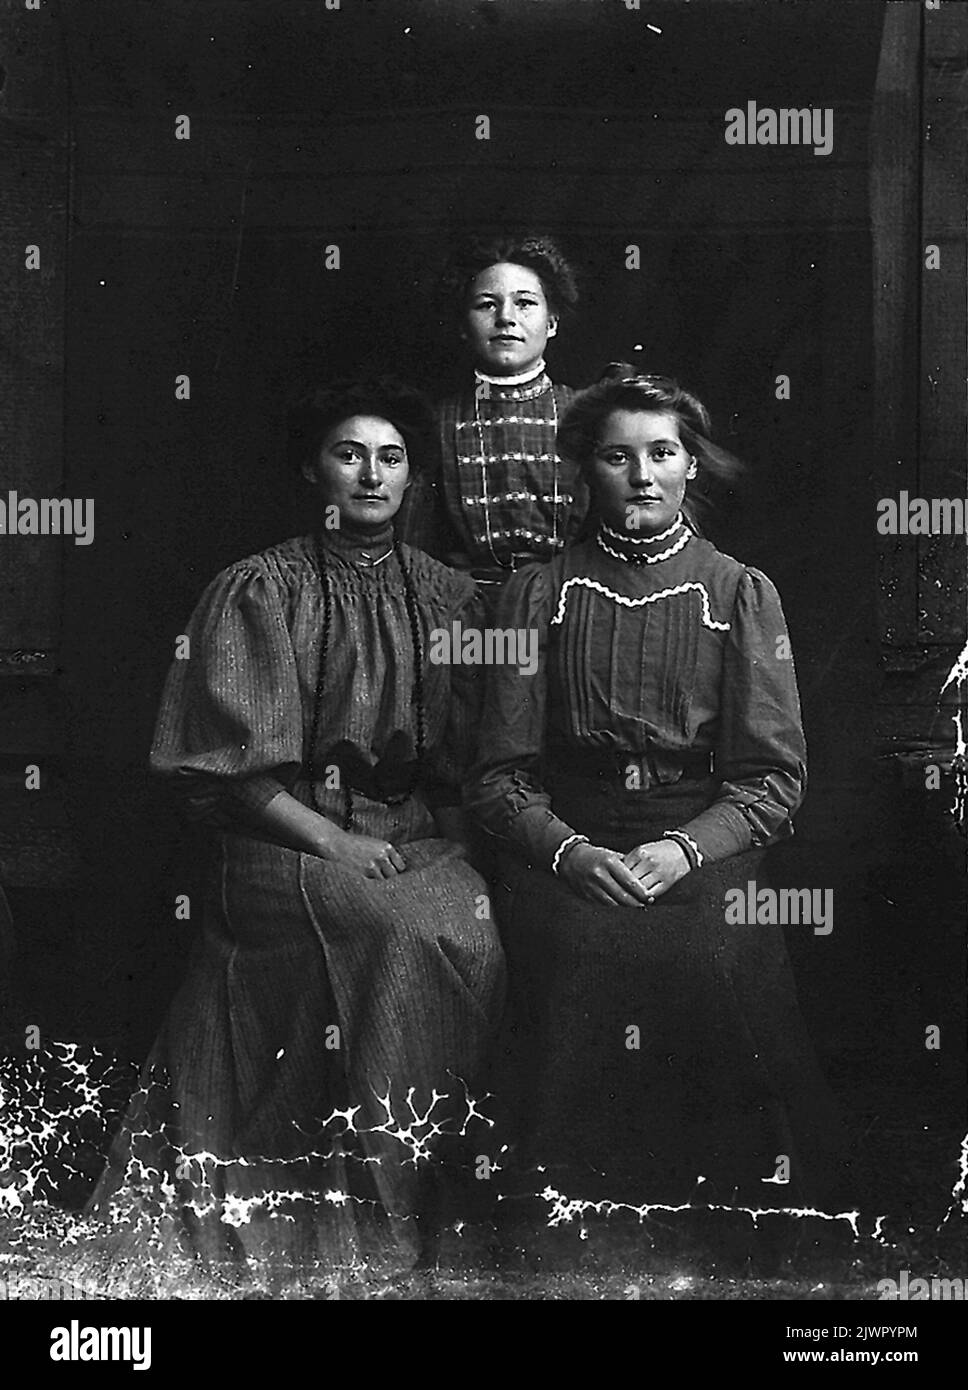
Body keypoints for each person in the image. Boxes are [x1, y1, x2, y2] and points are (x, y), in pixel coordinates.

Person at [85, 377, 505, 1292]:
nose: (370, 473)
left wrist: (464, 846)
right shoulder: (257, 589)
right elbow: (230, 779)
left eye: (390, 457)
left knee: (467, 928)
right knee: (393, 931)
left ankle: (420, 1212)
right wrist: (339, 844)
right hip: (281, 838)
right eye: (349, 453)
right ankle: (356, 1233)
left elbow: (468, 764)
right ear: (315, 468)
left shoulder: (451, 598)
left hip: (415, 833)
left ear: (413, 479)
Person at [465, 366, 846, 1219]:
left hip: (699, 839)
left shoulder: (740, 593)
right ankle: (556, 1226)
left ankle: (728, 1226)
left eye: (662, 453)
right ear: (584, 470)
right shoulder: (537, 593)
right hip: (568, 842)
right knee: (568, 954)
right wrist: (569, 851)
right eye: (617, 456)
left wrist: (684, 849)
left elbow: (774, 782)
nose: (641, 475)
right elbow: (496, 778)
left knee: (715, 947)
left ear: (690, 468)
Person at [397, 233, 588, 602]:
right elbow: (413, 546)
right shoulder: (438, 422)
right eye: (486, 305)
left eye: (525, 303)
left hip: (570, 603)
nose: (505, 318)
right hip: (465, 608)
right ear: (462, 327)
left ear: (552, 323)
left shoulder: (587, 414)